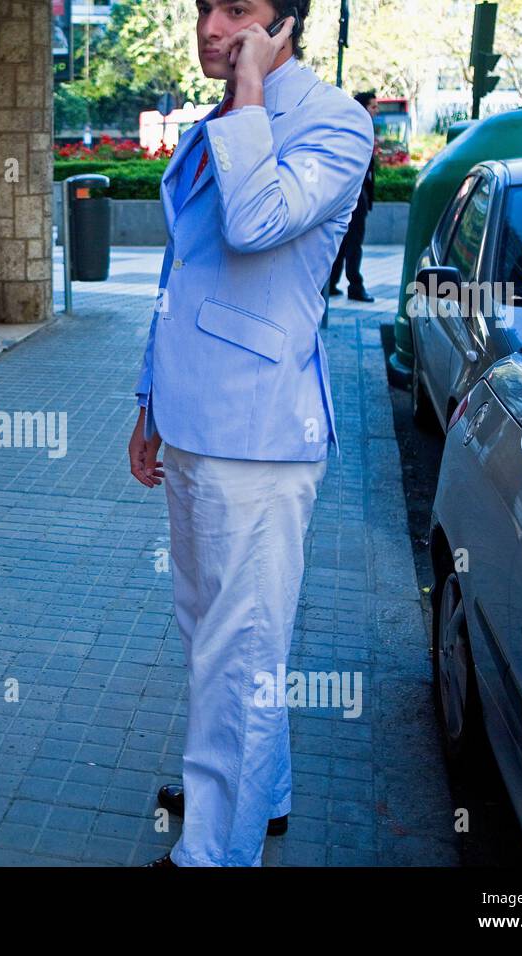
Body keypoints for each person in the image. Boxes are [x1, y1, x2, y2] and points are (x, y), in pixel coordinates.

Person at [128, 0, 373, 867]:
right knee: (213, 633)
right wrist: (150, 399)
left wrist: (249, 94)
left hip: (261, 437)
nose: (209, 26)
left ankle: (214, 855)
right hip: (195, 418)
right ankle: (254, 794)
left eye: (237, 10)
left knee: (242, 653)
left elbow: (256, 220)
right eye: (202, 9)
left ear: (287, 26)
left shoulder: (333, 123)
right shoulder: (228, 116)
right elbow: (183, 268)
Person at [330, 91, 378, 302]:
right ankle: (355, 286)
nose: (377, 111)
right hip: (355, 195)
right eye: (373, 106)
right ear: (364, 108)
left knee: (344, 242)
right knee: (353, 242)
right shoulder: (357, 130)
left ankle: (331, 283)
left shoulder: (358, 128)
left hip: (358, 195)